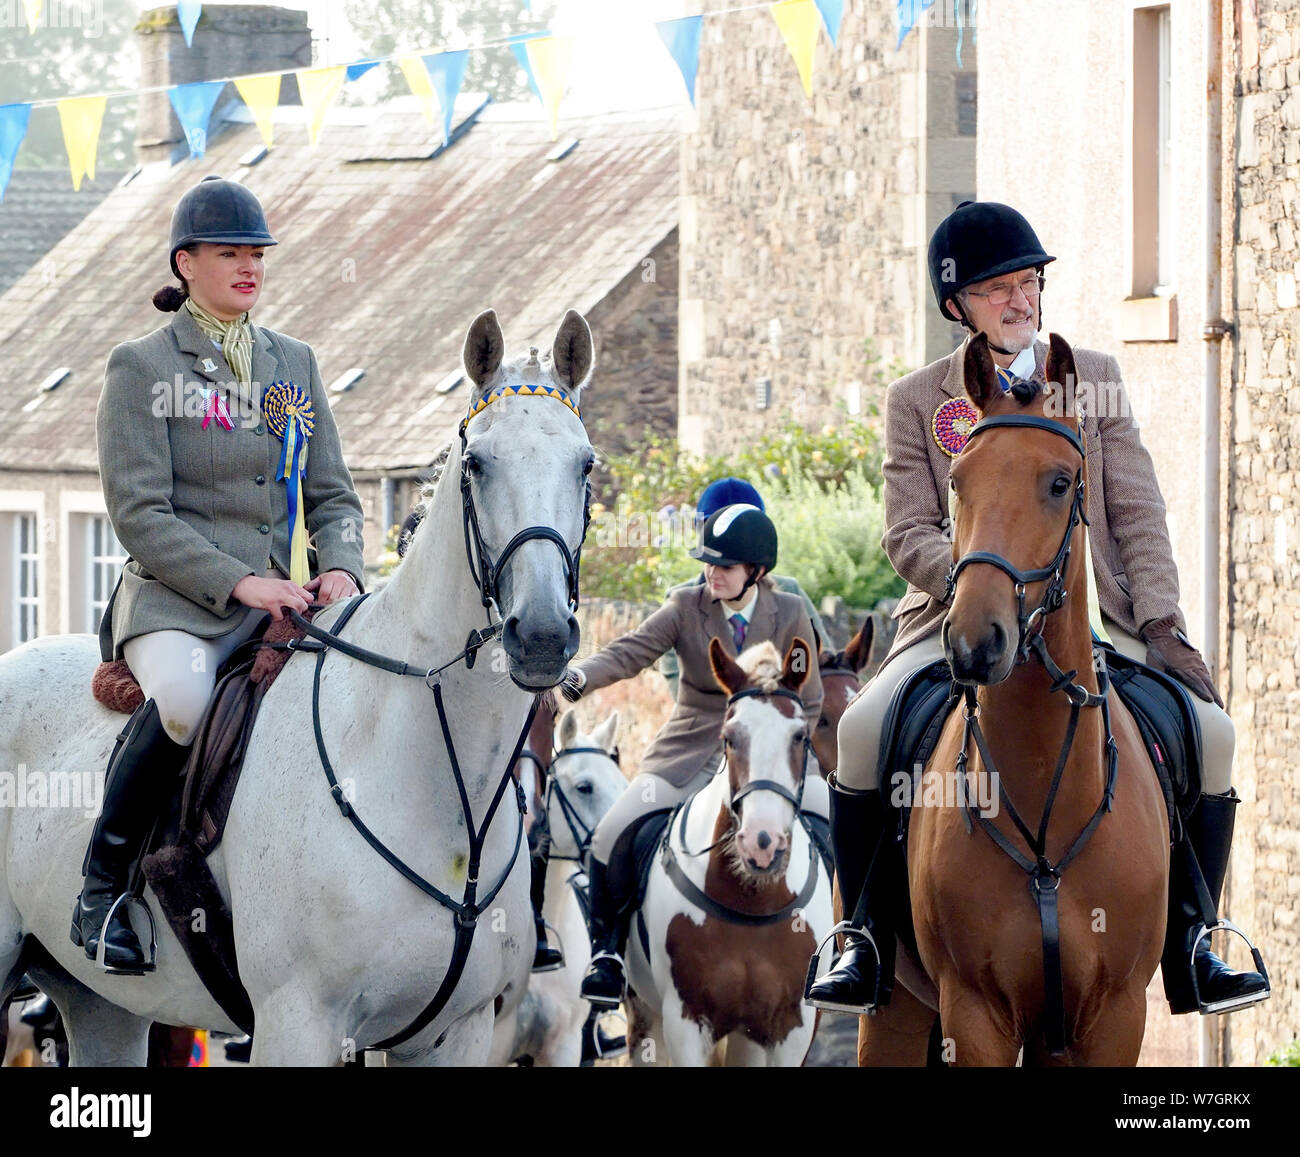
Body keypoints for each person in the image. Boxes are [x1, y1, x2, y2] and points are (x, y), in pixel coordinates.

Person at [808, 200, 1268, 1017]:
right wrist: (979, 585)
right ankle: (863, 938)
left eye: (1029, 283)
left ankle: (1198, 936)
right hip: (965, 612)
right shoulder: (920, 400)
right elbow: (906, 528)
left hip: (1100, 617)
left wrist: (1162, 623)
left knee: (1215, 734)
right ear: (957, 306)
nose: (1021, 301)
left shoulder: (1094, 381)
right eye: (998, 290)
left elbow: (1137, 513)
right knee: (859, 731)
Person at [75, 176, 366, 973]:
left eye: (256, 253)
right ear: (186, 262)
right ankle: (100, 888)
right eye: (229, 252)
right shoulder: (140, 367)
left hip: (290, 601)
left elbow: (334, 495)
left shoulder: (293, 363)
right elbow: (141, 515)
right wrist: (243, 582)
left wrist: (339, 564)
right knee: (184, 700)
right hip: (180, 605)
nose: (248, 266)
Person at [559, 505, 829, 1007]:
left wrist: (785, 747)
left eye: (725, 566)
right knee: (615, 831)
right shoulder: (686, 606)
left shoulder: (790, 611)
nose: (713, 573)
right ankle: (608, 955)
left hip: (771, 761)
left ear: (757, 571)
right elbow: (630, 651)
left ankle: (845, 947)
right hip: (689, 750)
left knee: (835, 821)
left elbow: (809, 697)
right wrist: (579, 678)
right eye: (708, 563)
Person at [658, 477, 827, 699]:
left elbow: (819, 663)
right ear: (700, 533)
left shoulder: (789, 592)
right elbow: (680, 685)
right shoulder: (680, 601)